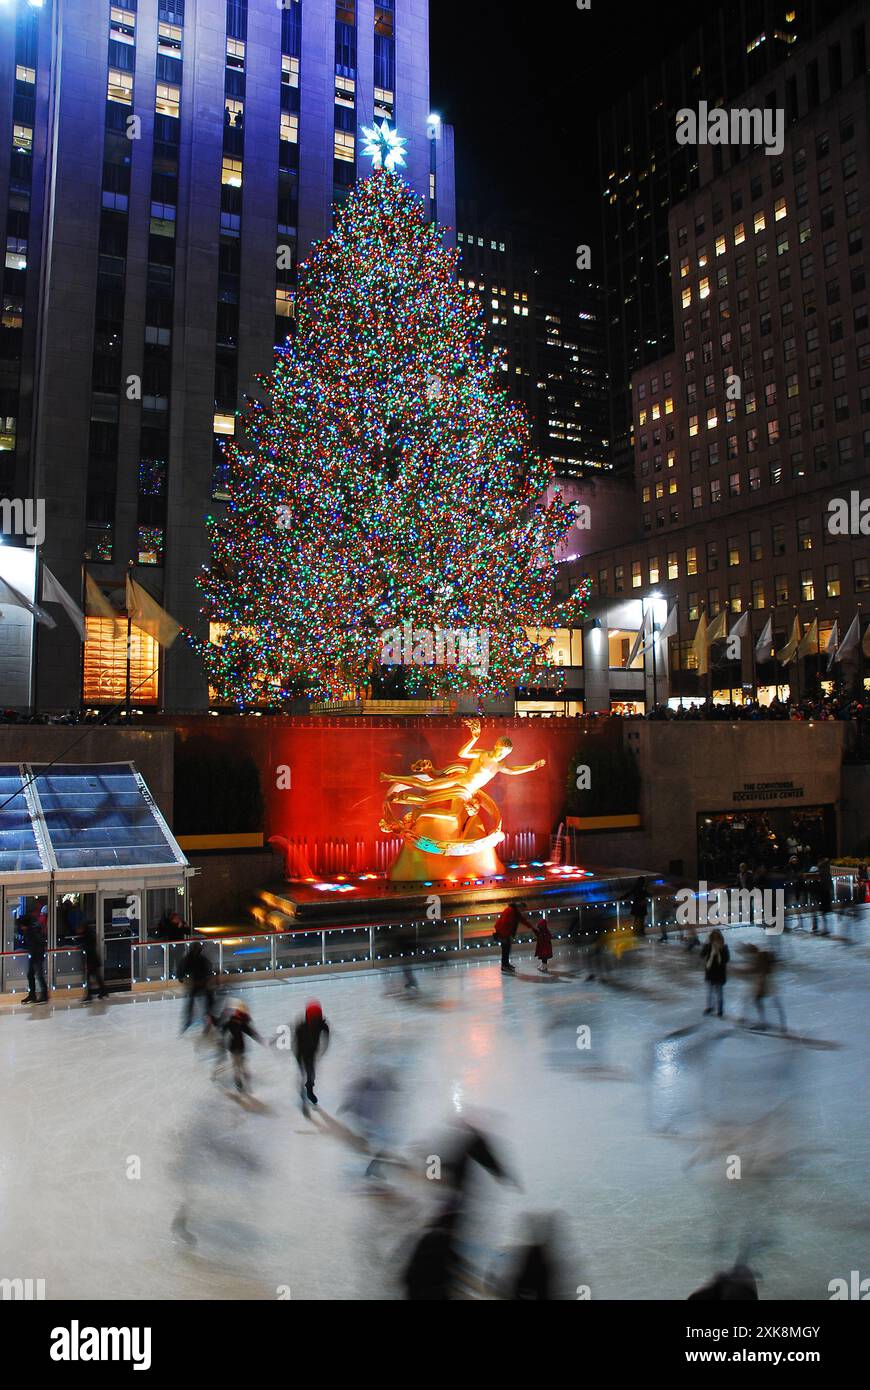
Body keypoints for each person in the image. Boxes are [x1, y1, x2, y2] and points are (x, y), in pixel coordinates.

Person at [216, 997, 264, 1094]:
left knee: (240, 1067)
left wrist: (260, 1039)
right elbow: (250, 1031)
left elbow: (250, 1032)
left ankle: (241, 1085)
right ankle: (241, 1085)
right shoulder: (238, 1022)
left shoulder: (236, 1022)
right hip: (237, 1049)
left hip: (237, 1048)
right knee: (240, 1066)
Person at [293, 1000, 330, 1109]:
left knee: (311, 1074)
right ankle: (304, 1085)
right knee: (304, 1072)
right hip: (302, 1052)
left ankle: (309, 1088)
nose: (314, 1022)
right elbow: (297, 1042)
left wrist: (324, 1047)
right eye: (312, 1019)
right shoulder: (301, 1027)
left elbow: (326, 1034)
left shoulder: (321, 1024)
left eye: (316, 1019)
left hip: (312, 1053)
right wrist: (299, 1057)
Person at [743, 944, 787, 1032]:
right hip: (767, 981)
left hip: (765, 982)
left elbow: (757, 970)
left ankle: (764, 1023)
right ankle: (781, 1023)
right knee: (771, 1000)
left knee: (759, 999)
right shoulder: (760, 955)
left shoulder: (760, 956)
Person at [178, 940, 215, 1033]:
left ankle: (208, 1017)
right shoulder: (190, 959)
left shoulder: (199, 959)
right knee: (192, 1001)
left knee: (207, 999)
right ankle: (189, 1020)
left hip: (200, 983)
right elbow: (182, 968)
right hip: (196, 983)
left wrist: (181, 976)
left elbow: (208, 967)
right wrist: (181, 976)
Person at [493, 899, 532, 974]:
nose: (523, 911)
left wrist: (531, 927)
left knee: (507, 949)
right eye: (523, 910)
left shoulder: (515, 911)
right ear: (520, 907)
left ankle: (506, 964)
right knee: (505, 950)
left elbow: (522, 920)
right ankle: (504, 966)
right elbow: (504, 923)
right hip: (503, 933)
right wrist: (504, 936)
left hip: (506, 933)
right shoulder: (511, 911)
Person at [701, 928, 730, 1018]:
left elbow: (726, 959)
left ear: (720, 938)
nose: (715, 940)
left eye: (717, 938)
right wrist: (706, 945)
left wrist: (720, 951)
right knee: (709, 993)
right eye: (714, 938)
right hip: (710, 974)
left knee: (719, 994)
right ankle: (710, 1007)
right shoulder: (708, 946)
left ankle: (720, 1010)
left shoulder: (724, 947)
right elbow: (701, 955)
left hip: (719, 975)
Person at [77, 920, 108, 1001]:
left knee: (90, 978)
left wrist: (88, 962)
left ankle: (90, 994)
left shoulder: (87, 936)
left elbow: (89, 949)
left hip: (90, 960)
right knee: (96, 977)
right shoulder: (88, 935)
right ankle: (102, 991)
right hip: (92, 960)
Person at [21, 914, 48, 1004]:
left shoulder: (32, 930)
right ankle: (32, 994)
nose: (21, 928)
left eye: (22, 926)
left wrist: (36, 954)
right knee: (30, 974)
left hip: (37, 956)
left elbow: (40, 942)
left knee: (39, 975)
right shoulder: (30, 930)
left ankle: (44, 995)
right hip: (34, 955)